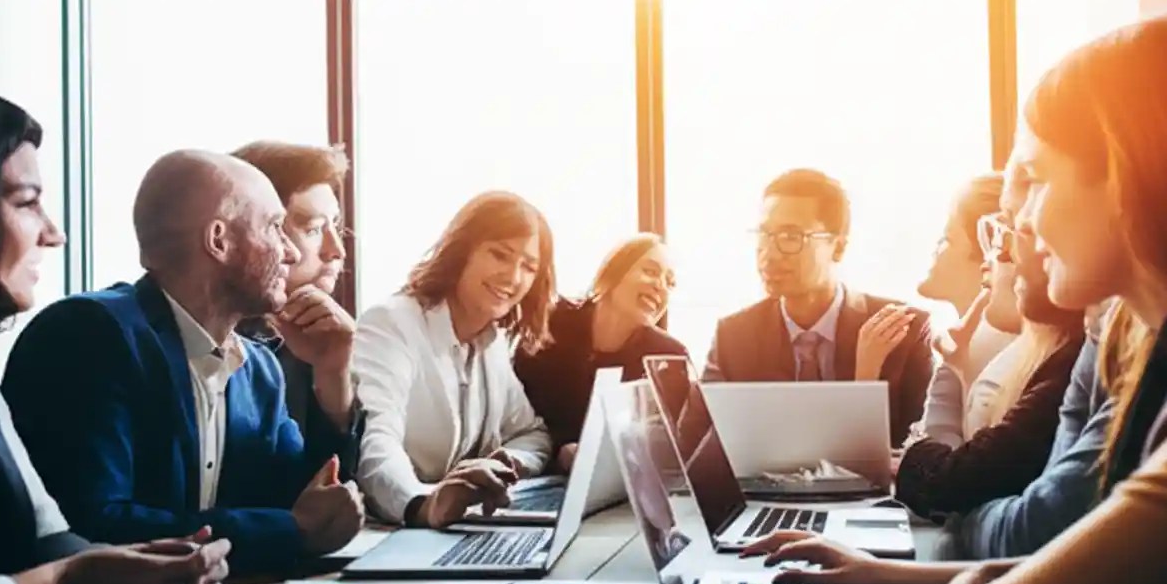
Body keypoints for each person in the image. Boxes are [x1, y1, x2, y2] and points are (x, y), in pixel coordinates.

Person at [759, 14, 1167, 584]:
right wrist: (892, 574)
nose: (1021, 222)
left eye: (1035, 178)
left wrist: (967, 572)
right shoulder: (1153, 357)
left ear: (1128, 173)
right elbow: (1082, 575)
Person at [0, 72, 228, 584]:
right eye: (25, 202)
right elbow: (55, 577)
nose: (54, 233)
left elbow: (51, 539)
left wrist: (138, 567)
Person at [1, 149, 365, 575]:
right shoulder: (87, 334)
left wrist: (333, 373)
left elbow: (308, 507)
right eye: (273, 227)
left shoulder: (259, 371)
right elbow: (92, 525)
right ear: (219, 241)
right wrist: (290, 529)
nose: (290, 253)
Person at [895, 168, 1087, 519]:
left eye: (1005, 238)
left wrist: (952, 374)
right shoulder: (1033, 353)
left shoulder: (1065, 361)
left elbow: (956, 486)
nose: (992, 261)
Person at [355, 191, 554, 527]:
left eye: (528, 267)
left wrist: (503, 464)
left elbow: (533, 435)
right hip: (394, 524)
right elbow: (375, 442)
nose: (513, 277)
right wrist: (422, 504)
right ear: (462, 251)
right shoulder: (391, 322)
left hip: (451, 527)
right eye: (500, 255)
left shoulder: (491, 343)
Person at [702, 168, 934, 445]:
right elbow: (698, 447)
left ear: (838, 247)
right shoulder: (734, 337)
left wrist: (864, 385)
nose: (769, 253)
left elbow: (918, 450)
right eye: (764, 234)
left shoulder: (901, 330)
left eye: (790, 236)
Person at [231, 141, 364, 475]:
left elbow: (337, 487)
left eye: (337, 227)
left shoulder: (320, 335)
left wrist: (334, 377)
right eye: (314, 229)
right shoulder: (218, 340)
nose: (337, 250)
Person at [514, 233, 687, 473]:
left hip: (615, 481)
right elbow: (514, 415)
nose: (660, 286)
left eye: (670, 283)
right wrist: (559, 454)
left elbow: (672, 447)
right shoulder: (550, 322)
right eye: (650, 271)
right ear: (613, 272)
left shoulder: (669, 356)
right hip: (531, 470)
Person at [916, 172, 1016, 387]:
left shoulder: (985, 355)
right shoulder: (966, 345)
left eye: (948, 238)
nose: (936, 247)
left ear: (988, 258)